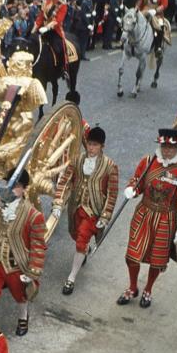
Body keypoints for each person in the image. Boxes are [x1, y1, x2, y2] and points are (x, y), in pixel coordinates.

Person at [118, 126, 177, 308]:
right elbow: (137, 180)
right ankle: (132, 287)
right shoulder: (147, 162)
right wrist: (133, 189)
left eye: (172, 148)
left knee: (157, 259)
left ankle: (148, 289)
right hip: (143, 214)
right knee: (132, 255)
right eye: (165, 148)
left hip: (166, 220)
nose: (168, 151)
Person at [52, 126, 119, 294]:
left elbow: (112, 193)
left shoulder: (110, 166)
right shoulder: (76, 160)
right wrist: (58, 202)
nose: (91, 148)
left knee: (81, 239)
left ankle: (71, 278)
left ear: (102, 146)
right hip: (75, 207)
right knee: (76, 236)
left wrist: (106, 215)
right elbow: (64, 181)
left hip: (93, 211)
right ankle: (84, 250)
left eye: (95, 145)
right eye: (89, 144)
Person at [0, 170, 46, 336]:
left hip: (16, 263)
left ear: (24, 189)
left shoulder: (34, 215)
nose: (11, 189)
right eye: (9, 185)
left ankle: (23, 316)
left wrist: (33, 271)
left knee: (20, 295)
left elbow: (38, 246)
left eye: (16, 186)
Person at [32, 0, 69, 73]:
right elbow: (40, 17)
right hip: (42, 30)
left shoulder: (62, 5)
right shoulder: (46, 2)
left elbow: (58, 20)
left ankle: (63, 69)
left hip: (55, 32)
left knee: (60, 49)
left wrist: (47, 27)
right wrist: (34, 30)